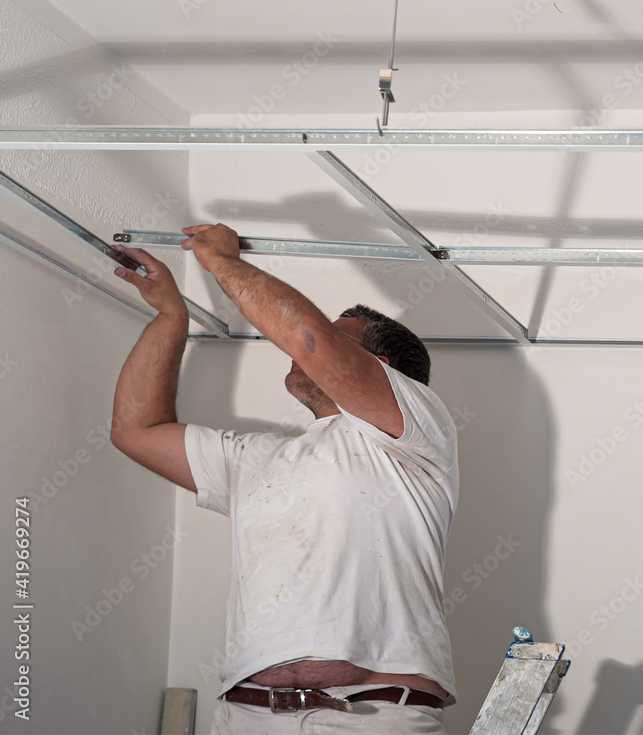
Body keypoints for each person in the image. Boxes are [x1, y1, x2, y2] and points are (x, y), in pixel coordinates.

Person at [110, 223, 458, 734]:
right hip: (247, 716)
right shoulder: (257, 459)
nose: (297, 348)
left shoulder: (415, 430)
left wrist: (220, 261)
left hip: (371, 718)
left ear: (381, 369)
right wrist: (170, 315)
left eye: (339, 337)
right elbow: (137, 430)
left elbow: (310, 339)